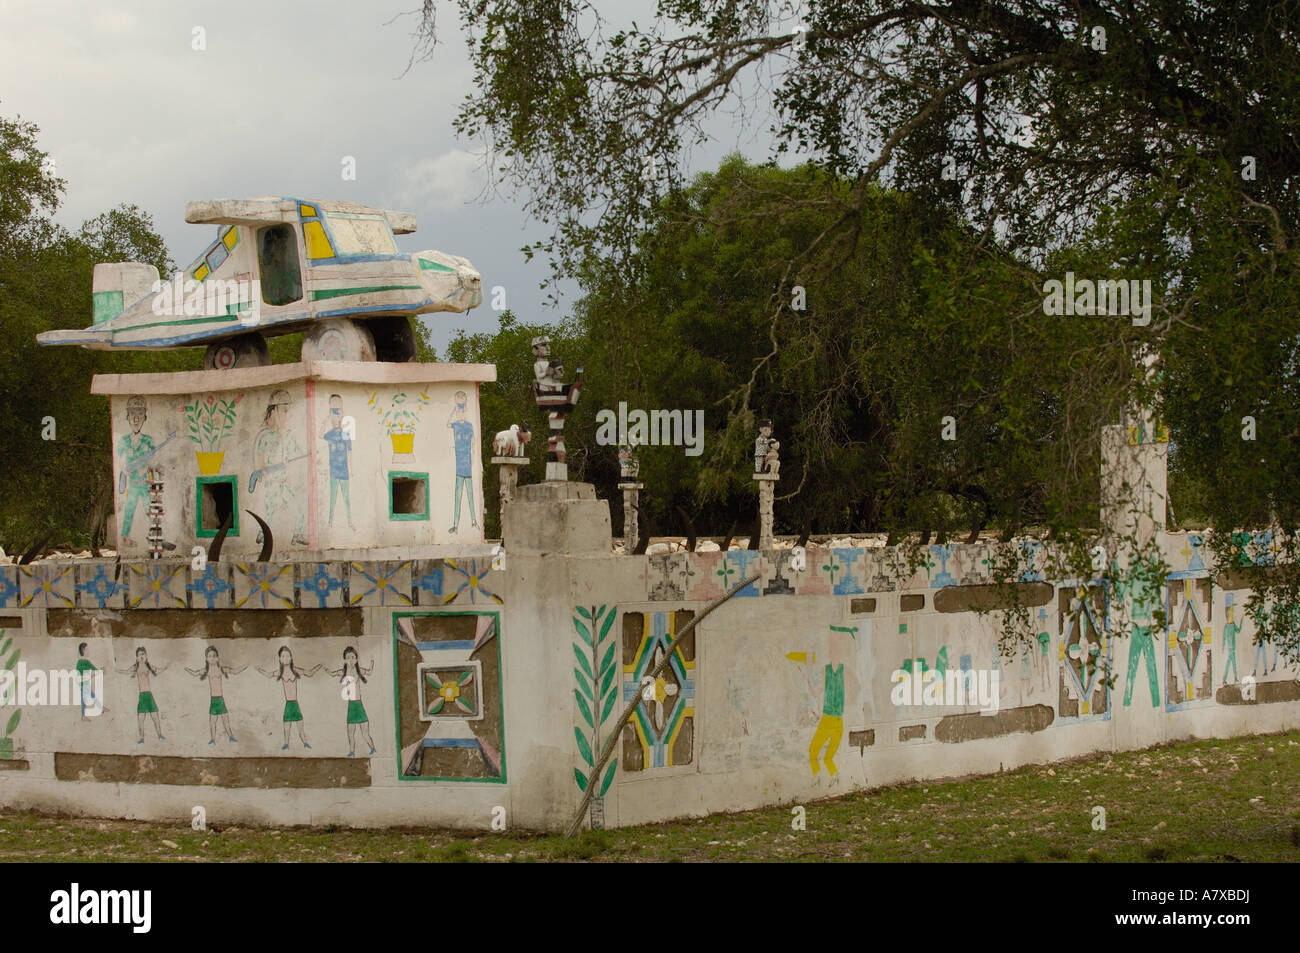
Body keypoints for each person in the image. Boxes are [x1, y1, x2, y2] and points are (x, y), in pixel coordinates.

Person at [253, 389, 307, 545]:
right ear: (274, 411)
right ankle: (261, 534)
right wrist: (263, 470)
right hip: (273, 483)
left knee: (296, 508)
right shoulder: (265, 435)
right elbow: (259, 456)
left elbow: (296, 452)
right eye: (284, 411)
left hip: (282, 482)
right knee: (269, 513)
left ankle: (296, 534)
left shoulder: (286, 434)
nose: (287, 415)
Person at [257, 646, 321, 750]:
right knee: (286, 727)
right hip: (288, 704)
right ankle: (286, 744)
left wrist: (319, 666)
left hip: (295, 704)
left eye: (287, 656)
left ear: (291, 658)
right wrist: (258, 668)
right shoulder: (280, 672)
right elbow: (268, 675)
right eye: (283, 656)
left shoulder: (296, 670)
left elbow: (309, 673)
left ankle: (305, 743)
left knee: (300, 727)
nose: (285, 658)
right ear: (280, 659)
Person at [185, 646, 245, 743]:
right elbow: (195, 673)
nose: (212, 658)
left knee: (225, 719)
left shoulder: (221, 669)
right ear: (206, 659)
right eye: (210, 656)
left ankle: (231, 737)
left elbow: (235, 671)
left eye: (214, 656)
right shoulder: (206, 671)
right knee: (212, 721)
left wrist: (246, 665)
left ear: (217, 657)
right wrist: (185, 668)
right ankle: (213, 739)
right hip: (214, 699)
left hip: (220, 699)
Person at [117, 397, 155, 547]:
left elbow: (153, 458)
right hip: (132, 483)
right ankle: (125, 537)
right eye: (132, 413)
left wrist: (145, 468)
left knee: (149, 509)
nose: (136, 418)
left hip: (145, 482)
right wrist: (125, 469)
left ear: (145, 416)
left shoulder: (148, 440)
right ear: (127, 416)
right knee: (129, 510)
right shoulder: (124, 440)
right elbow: (120, 458)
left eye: (139, 413)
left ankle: (154, 536)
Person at [325, 647, 376, 757]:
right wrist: (326, 668)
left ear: (357, 659)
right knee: (350, 733)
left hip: (358, 704)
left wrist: (372, 661)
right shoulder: (344, 672)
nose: (351, 660)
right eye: (348, 658)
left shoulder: (359, 671)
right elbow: (333, 674)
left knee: (365, 733)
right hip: (351, 705)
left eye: (353, 657)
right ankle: (352, 751)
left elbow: (370, 672)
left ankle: (373, 748)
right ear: (344, 660)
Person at [117, 646, 167, 742]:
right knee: (140, 719)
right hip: (142, 695)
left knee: (155, 716)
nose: (142, 656)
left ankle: (160, 734)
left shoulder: (149, 666)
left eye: (143, 654)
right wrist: (116, 670)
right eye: (140, 655)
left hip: (149, 694)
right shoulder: (135, 667)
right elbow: (126, 671)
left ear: (146, 655)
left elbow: (158, 670)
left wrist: (165, 667)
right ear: (136, 657)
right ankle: (141, 738)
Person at [319, 393, 355, 529]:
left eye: (339, 411)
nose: (337, 416)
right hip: (334, 471)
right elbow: (320, 435)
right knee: (332, 498)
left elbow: (350, 452)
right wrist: (326, 419)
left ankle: (349, 521)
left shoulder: (346, 434)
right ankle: (330, 522)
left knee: (346, 498)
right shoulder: (330, 434)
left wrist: (352, 470)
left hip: (344, 471)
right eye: (334, 411)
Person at [447, 391, 478, 533]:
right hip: (459, 466)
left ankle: (473, 521)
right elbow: (448, 423)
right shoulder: (456, 426)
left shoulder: (468, 426)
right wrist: (454, 410)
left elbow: (473, 444)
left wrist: (473, 458)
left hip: (467, 466)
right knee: (457, 496)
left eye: (461, 411)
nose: (460, 414)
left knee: (470, 496)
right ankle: (455, 524)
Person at [75, 642, 103, 719]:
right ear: (83, 651)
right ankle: (84, 716)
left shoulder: (80, 662)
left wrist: (99, 670)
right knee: (87, 698)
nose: (88, 651)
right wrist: (98, 671)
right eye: (87, 649)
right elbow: (94, 670)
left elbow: (94, 669)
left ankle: (101, 708)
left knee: (90, 696)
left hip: (83, 683)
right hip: (83, 683)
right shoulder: (85, 662)